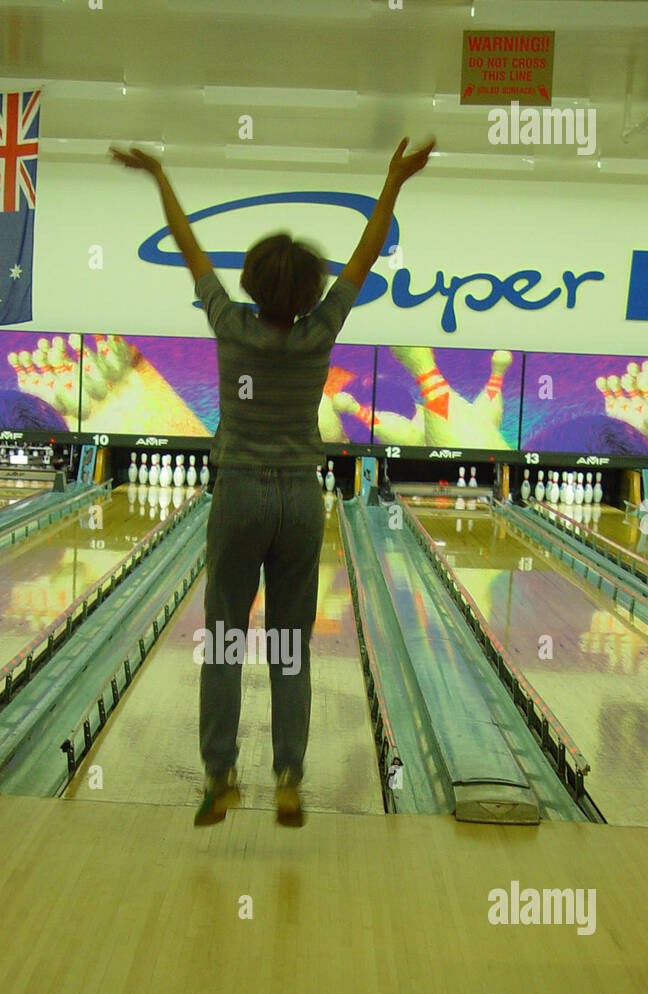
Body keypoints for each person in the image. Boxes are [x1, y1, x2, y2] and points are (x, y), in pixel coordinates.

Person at [111, 135, 435, 827]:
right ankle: (288, 777)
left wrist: (160, 175)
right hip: (299, 498)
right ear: (311, 291)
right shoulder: (321, 330)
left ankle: (220, 775)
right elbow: (366, 254)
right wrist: (392, 180)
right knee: (291, 648)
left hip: (238, 496)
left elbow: (190, 247)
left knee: (226, 639)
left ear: (252, 284)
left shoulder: (229, 324)